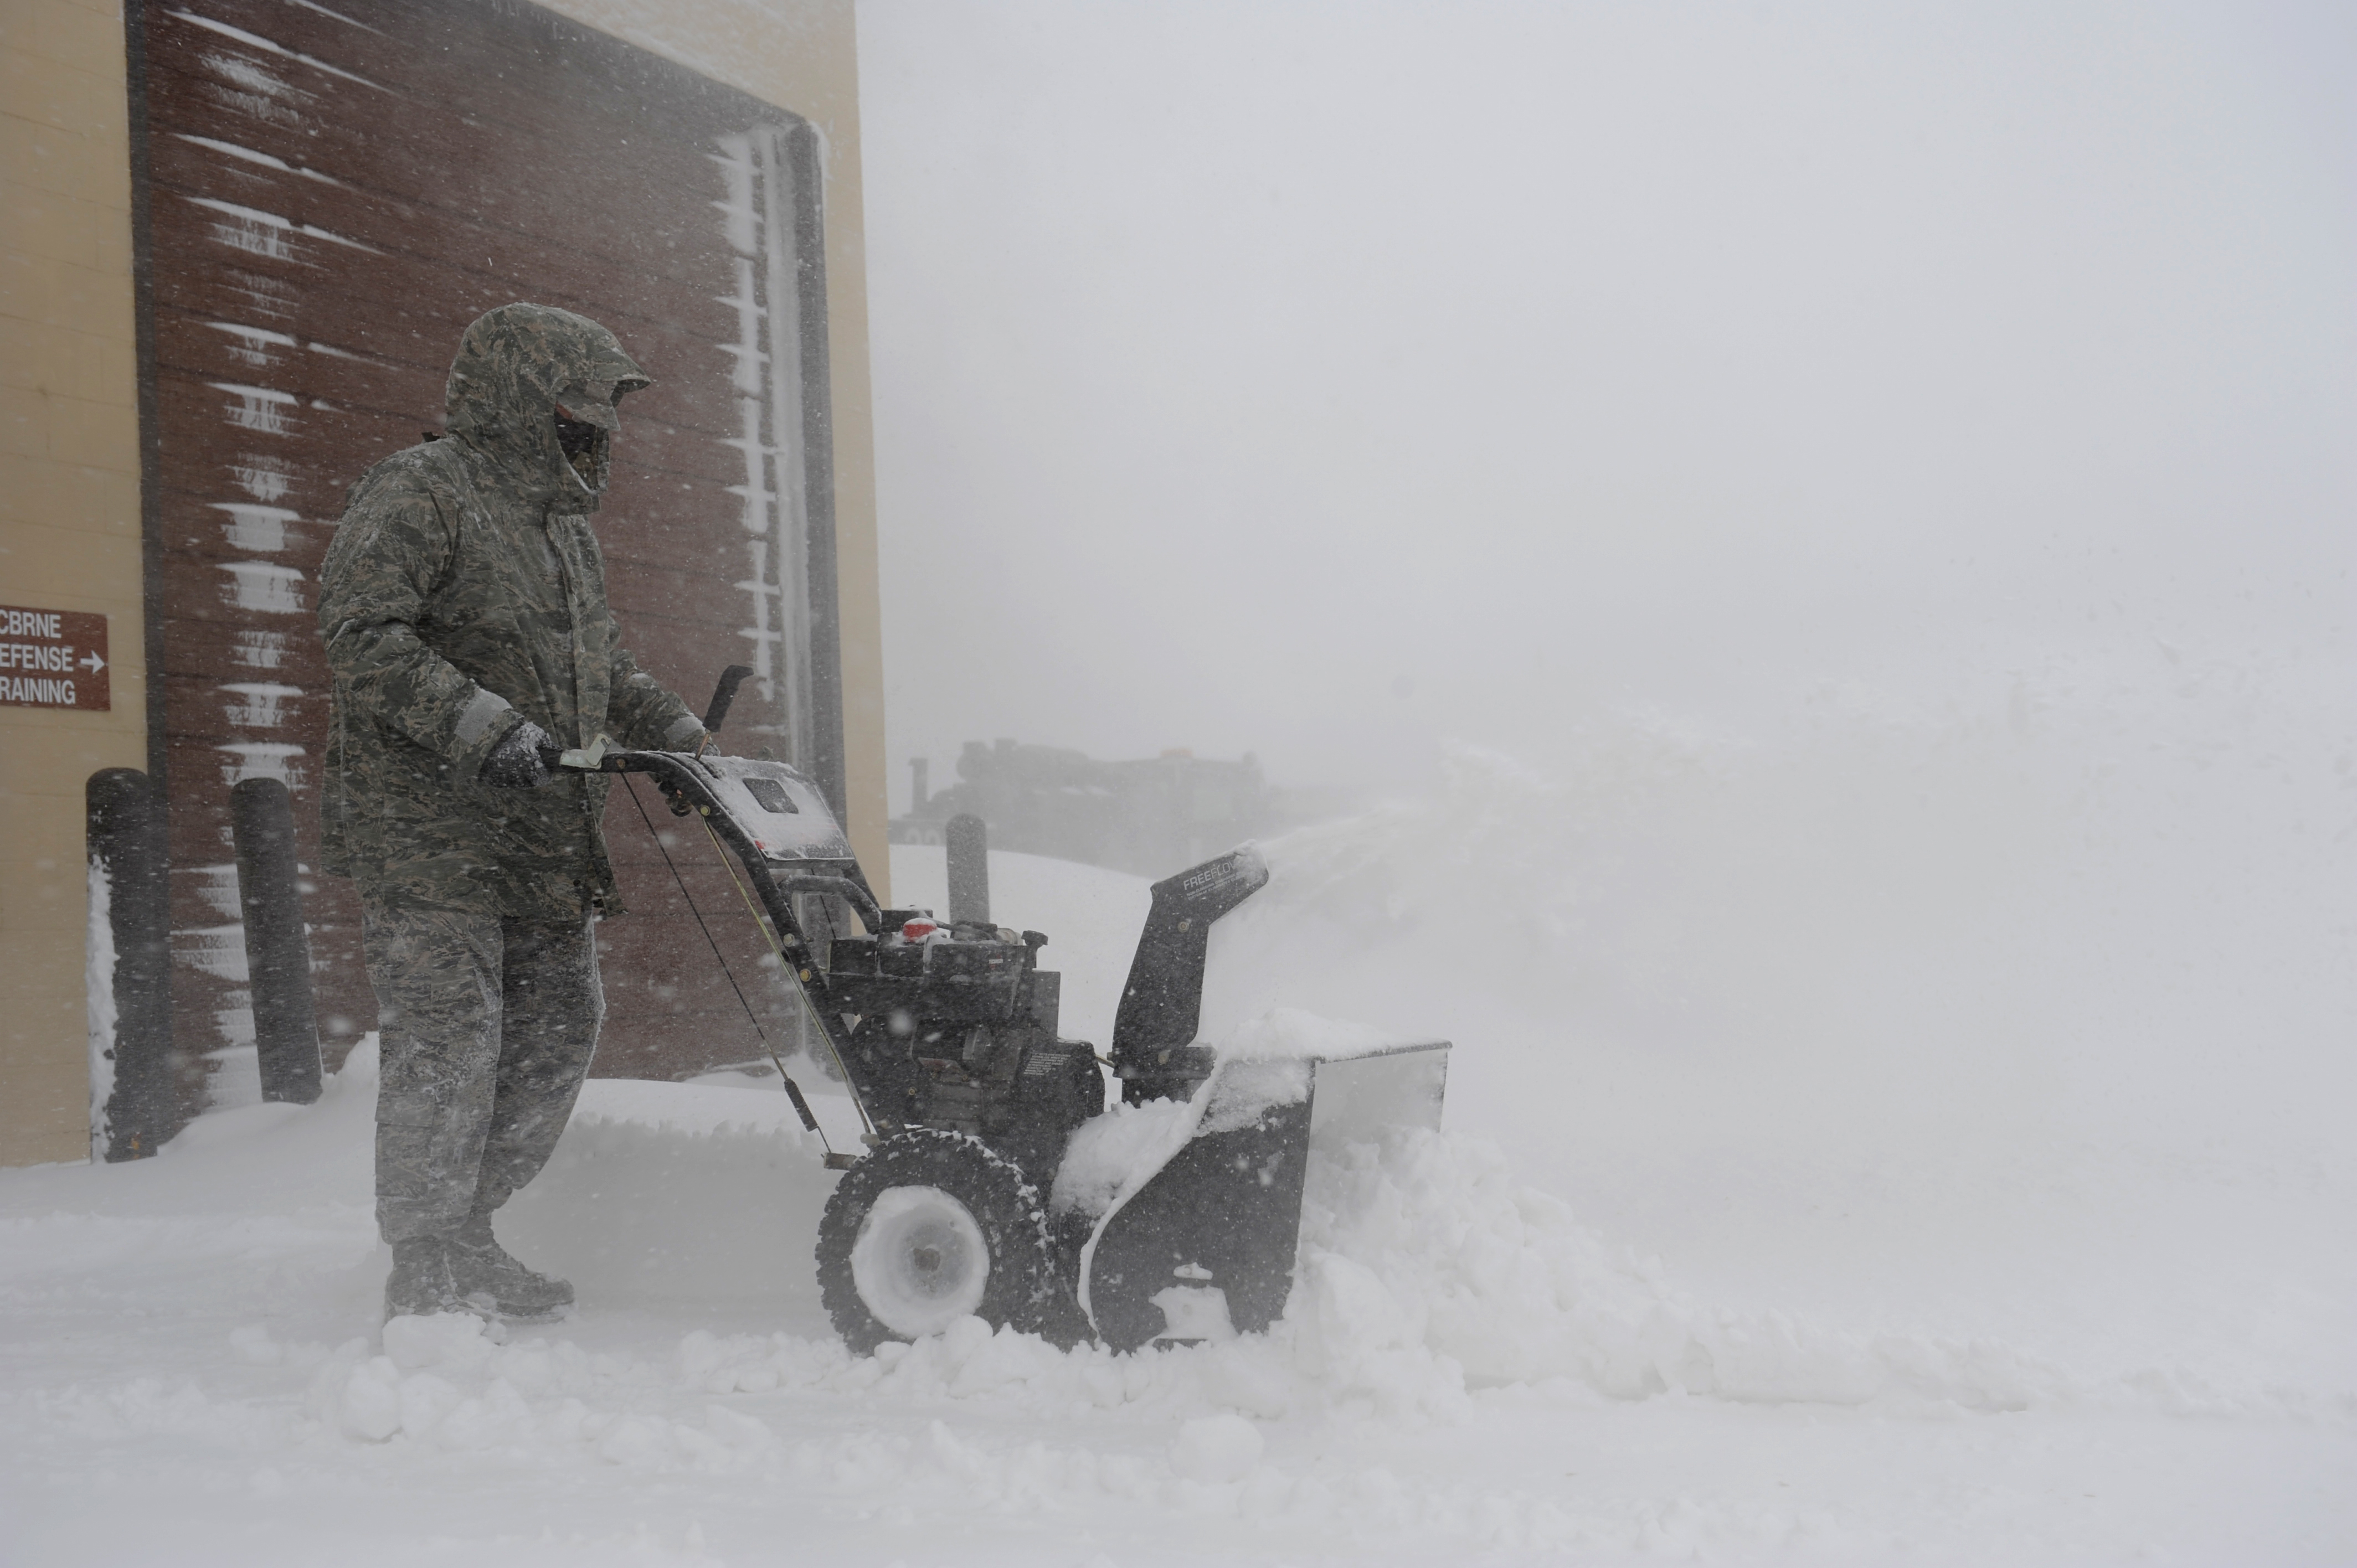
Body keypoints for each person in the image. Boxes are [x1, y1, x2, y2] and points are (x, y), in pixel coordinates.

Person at [317, 303, 712, 1322]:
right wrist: (483, 724)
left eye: (609, 413)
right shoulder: (421, 491)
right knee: (450, 1039)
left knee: (559, 1028)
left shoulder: (566, 532)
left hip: (542, 833)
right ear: (527, 396)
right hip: (431, 836)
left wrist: (678, 734)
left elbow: (602, 662)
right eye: (584, 405)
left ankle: (467, 1228)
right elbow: (361, 634)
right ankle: (424, 1260)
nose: (603, 431)